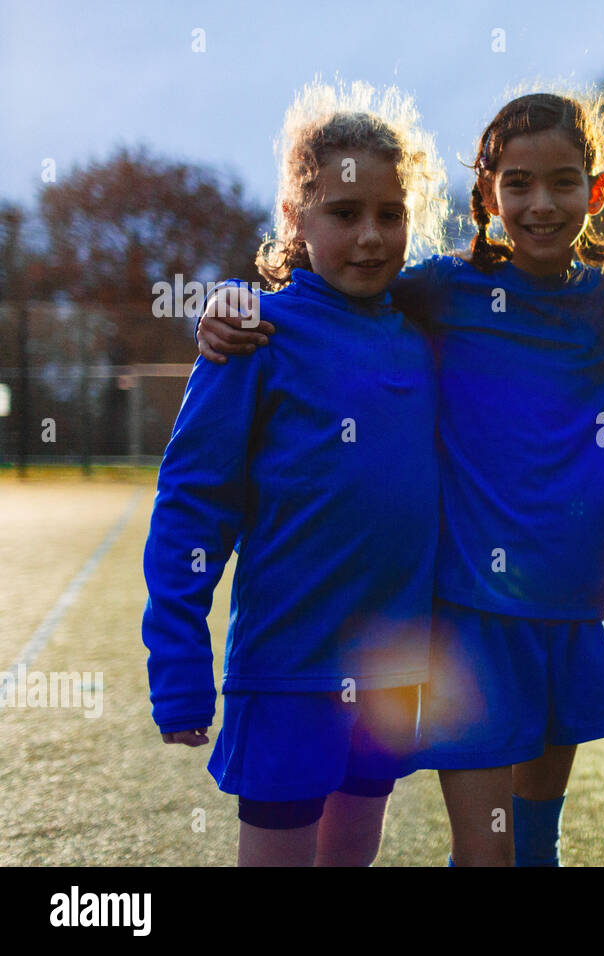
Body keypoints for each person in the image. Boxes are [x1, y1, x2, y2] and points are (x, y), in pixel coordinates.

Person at [195, 89, 604, 866]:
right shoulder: (441, 291)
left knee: (533, 844)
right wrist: (226, 300)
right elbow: (331, 292)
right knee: (486, 853)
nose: (540, 203)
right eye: (517, 183)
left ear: (596, 191)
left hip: (571, 617)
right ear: (487, 193)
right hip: (470, 623)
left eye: (561, 183)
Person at [141, 81, 447, 866]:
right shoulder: (254, 334)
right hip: (287, 673)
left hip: (388, 674)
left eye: (391, 214)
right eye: (344, 214)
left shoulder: (426, 330)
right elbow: (191, 506)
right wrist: (178, 663)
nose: (372, 237)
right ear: (295, 219)